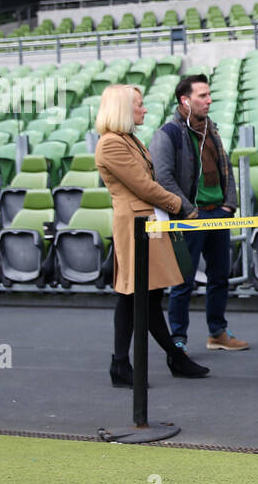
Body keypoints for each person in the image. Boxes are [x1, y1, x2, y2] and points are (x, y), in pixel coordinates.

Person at [94, 84, 209, 385]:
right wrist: (177, 205)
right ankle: (132, 362)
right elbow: (142, 186)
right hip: (136, 226)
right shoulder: (111, 144)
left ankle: (165, 357)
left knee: (147, 296)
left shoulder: (129, 140)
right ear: (122, 109)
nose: (144, 109)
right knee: (133, 296)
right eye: (139, 105)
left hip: (148, 223)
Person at [149, 73, 249, 354]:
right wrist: (189, 211)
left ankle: (217, 333)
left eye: (209, 94)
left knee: (219, 277)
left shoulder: (211, 130)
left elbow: (226, 169)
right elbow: (163, 179)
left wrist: (229, 204)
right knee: (183, 281)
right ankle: (178, 340)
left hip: (217, 213)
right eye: (202, 96)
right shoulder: (167, 134)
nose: (209, 100)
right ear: (185, 100)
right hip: (190, 218)